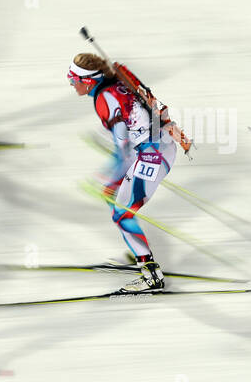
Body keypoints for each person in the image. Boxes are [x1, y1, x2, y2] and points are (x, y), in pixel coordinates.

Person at [68, 53, 177, 292]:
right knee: (112, 195)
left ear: (89, 81)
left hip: (152, 155)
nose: (71, 84)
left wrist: (101, 176)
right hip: (158, 146)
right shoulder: (114, 83)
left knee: (122, 214)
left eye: (73, 79)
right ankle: (138, 253)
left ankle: (151, 275)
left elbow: (124, 152)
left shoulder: (104, 100)